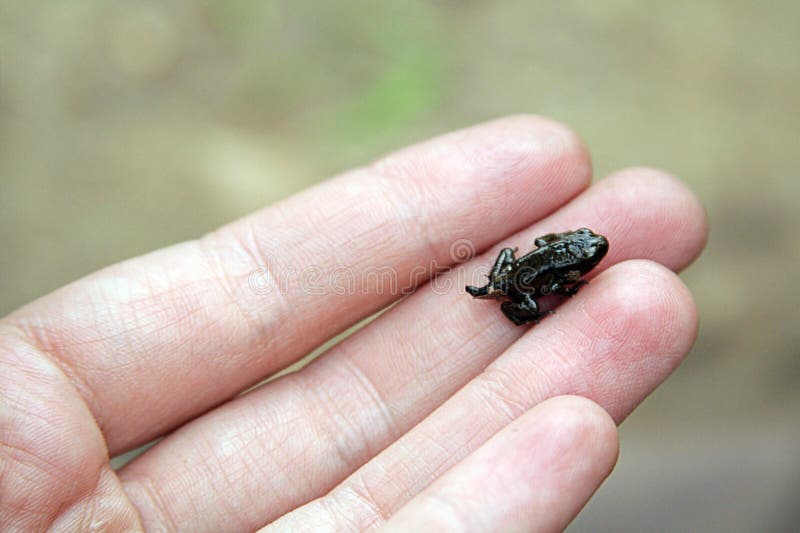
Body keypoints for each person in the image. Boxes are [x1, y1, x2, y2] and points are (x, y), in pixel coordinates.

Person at [0, 115, 707, 532]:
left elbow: (552, 263)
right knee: (520, 284)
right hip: (515, 282)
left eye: (586, 250)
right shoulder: (567, 263)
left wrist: (545, 279)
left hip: (516, 275)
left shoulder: (570, 257)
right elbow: (547, 271)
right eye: (588, 248)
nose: (588, 248)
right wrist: (538, 291)